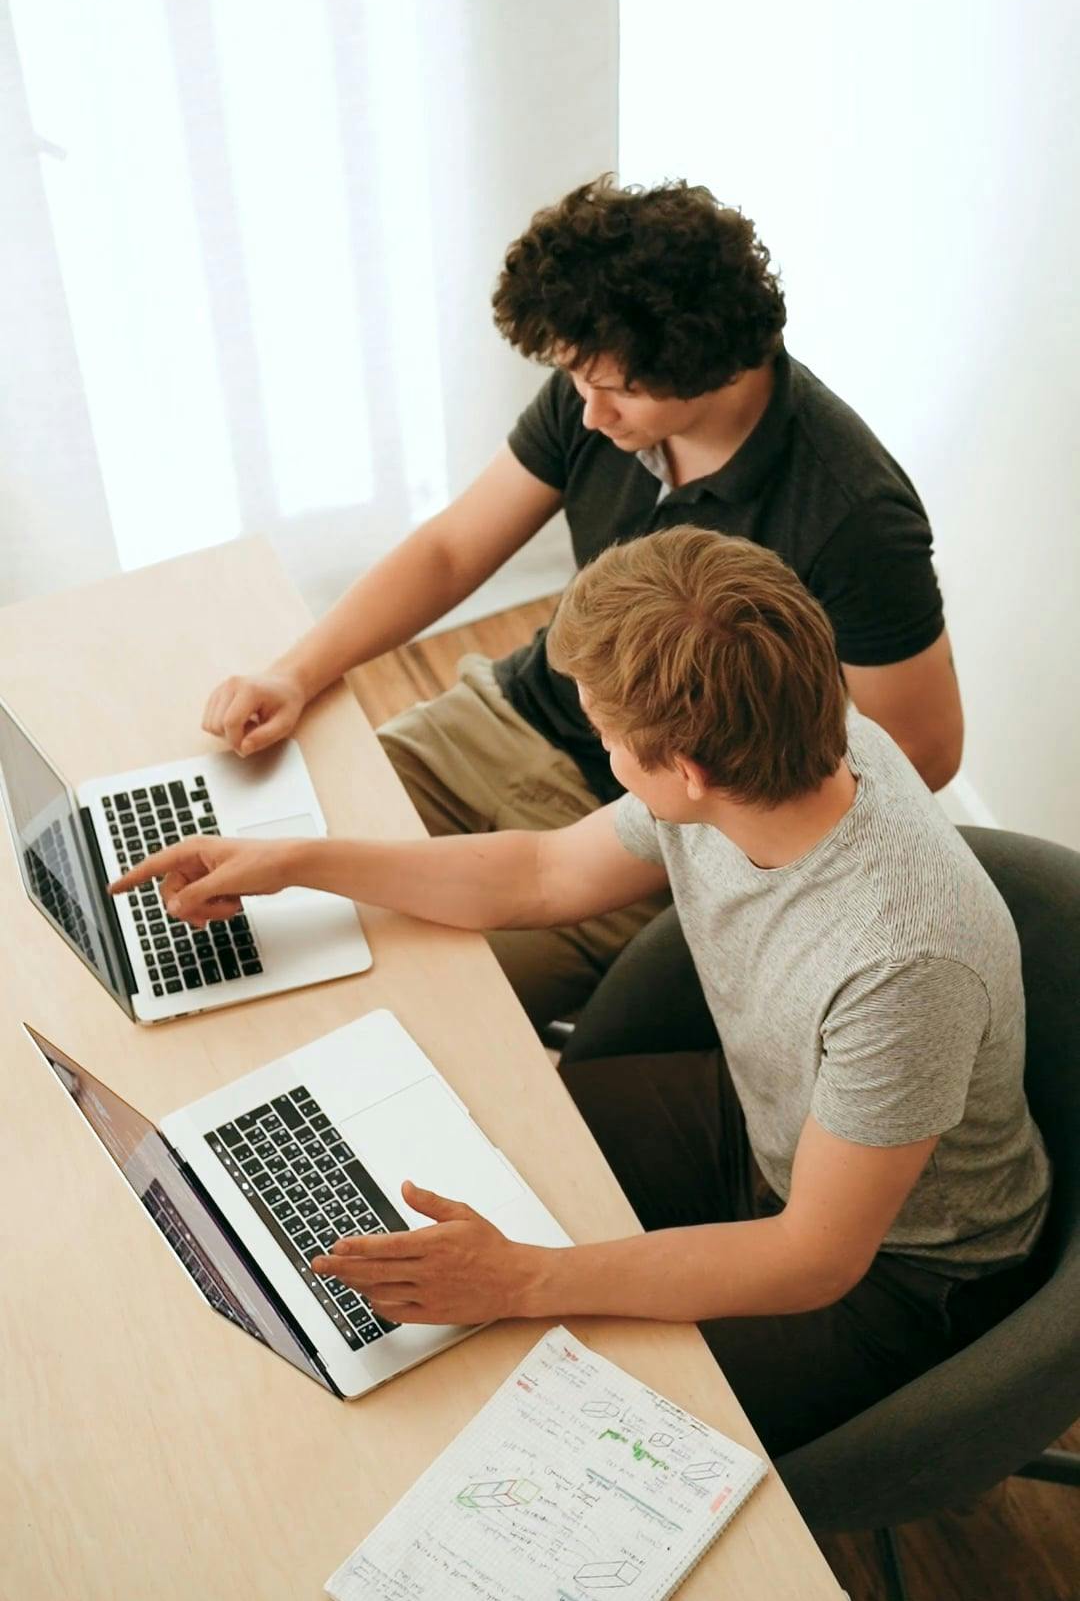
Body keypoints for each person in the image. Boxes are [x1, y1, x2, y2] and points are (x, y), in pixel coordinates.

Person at [112, 527, 1048, 1457]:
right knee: (470, 1142)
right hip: (775, 1125)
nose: (600, 751)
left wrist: (522, 1281)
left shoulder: (904, 964)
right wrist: (298, 863)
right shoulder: (792, 736)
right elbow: (546, 875)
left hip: (901, 1268)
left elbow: (812, 1257)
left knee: (540, 1414)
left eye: (605, 736)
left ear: (686, 771)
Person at [200, 176, 963, 1030]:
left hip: (645, 818)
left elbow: (922, 749)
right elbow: (453, 550)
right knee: (254, 866)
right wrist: (297, 673)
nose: (589, 414)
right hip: (507, 716)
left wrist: (707, 810)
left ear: (713, 360)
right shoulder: (599, 388)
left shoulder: (852, 512)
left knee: (396, 999)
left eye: (617, 392)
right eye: (575, 379)